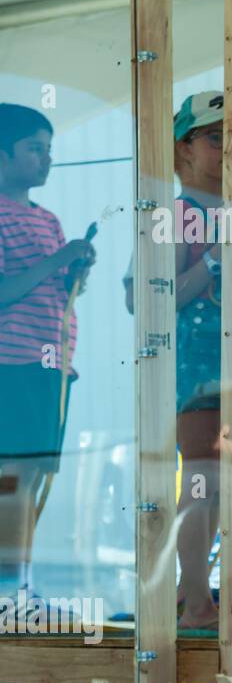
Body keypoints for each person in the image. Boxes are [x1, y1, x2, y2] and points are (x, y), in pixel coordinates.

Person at [122, 92, 232, 630]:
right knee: (202, 478)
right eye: (215, 136)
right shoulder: (173, 215)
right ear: (182, 149)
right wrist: (213, 265)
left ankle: (203, 594)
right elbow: (144, 300)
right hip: (194, 368)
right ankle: (199, 601)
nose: (229, 149)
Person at [0, 104, 93, 599]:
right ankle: (9, 587)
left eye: (49, 150)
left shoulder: (47, 219)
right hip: (10, 364)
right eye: (34, 149)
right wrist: (58, 258)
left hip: (51, 365)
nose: (46, 159)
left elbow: (54, 289)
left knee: (32, 476)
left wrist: (75, 268)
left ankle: (20, 583)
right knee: (12, 475)